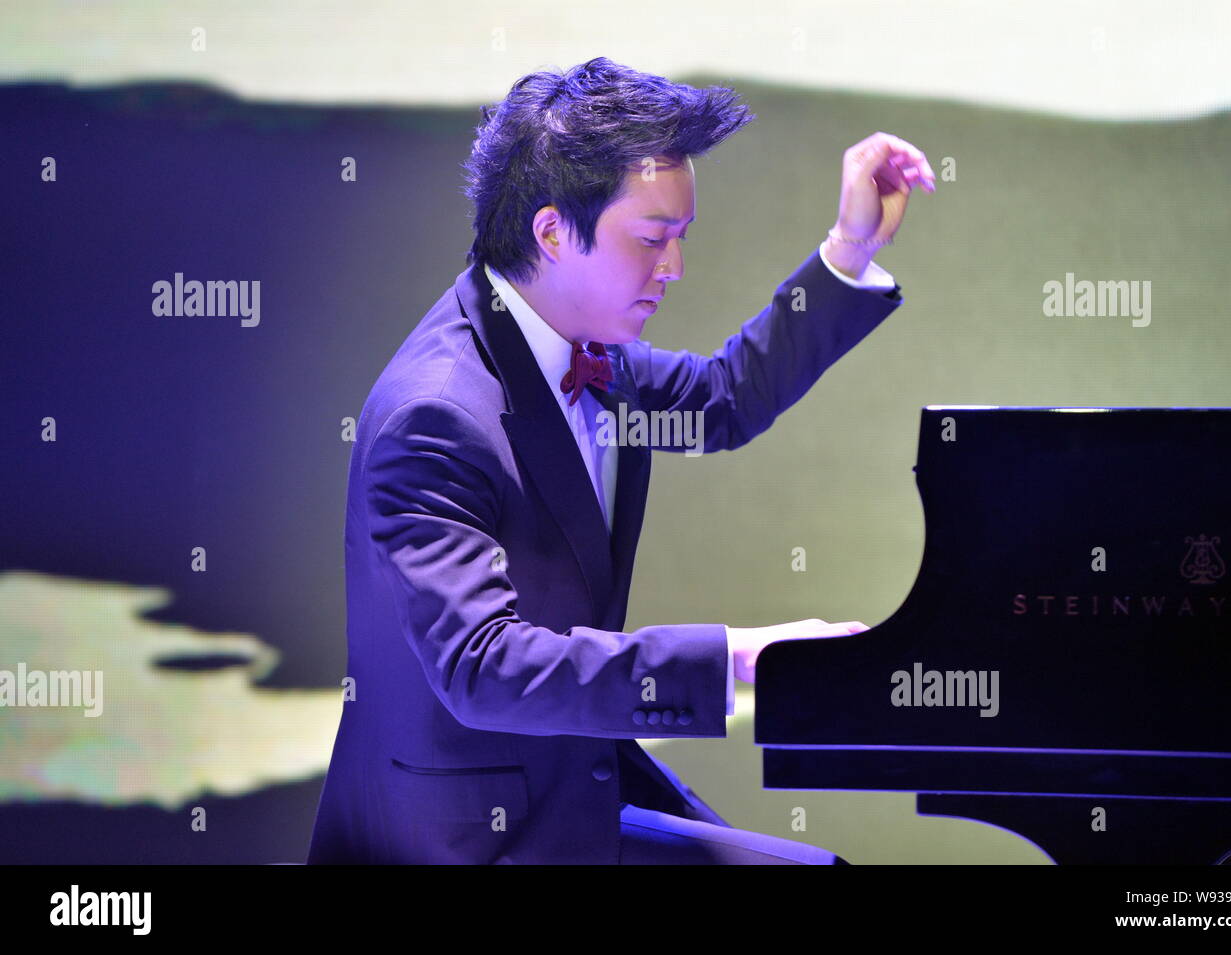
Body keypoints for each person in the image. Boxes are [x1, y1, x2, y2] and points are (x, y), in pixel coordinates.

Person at [307, 56, 934, 865]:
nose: (674, 268)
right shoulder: (436, 414)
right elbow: (483, 666)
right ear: (551, 231)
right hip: (464, 836)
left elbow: (723, 399)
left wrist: (848, 248)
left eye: (682, 237)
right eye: (652, 239)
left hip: (574, 784)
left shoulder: (586, 352)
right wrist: (738, 654)